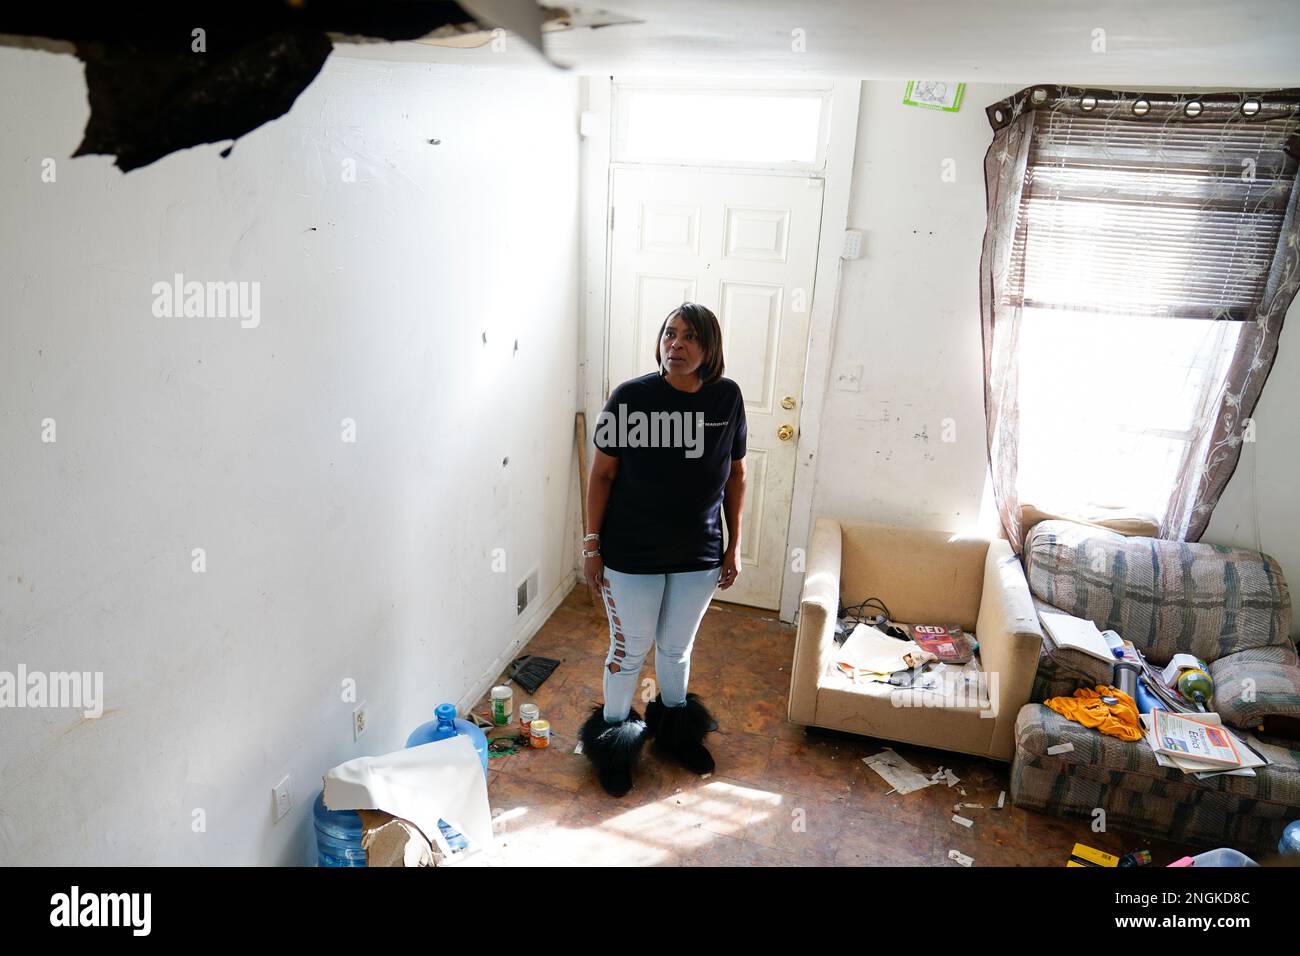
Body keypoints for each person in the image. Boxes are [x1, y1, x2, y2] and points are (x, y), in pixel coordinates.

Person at [578, 302, 747, 796]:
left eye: (690, 337)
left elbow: (736, 475)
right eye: (670, 335)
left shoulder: (726, 398)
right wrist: (593, 545)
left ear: (709, 348)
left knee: (675, 650)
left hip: (699, 552)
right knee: (628, 650)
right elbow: (602, 474)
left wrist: (734, 545)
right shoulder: (630, 397)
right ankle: (613, 743)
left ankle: (675, 735)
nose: (676, 344)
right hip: (631, 553)